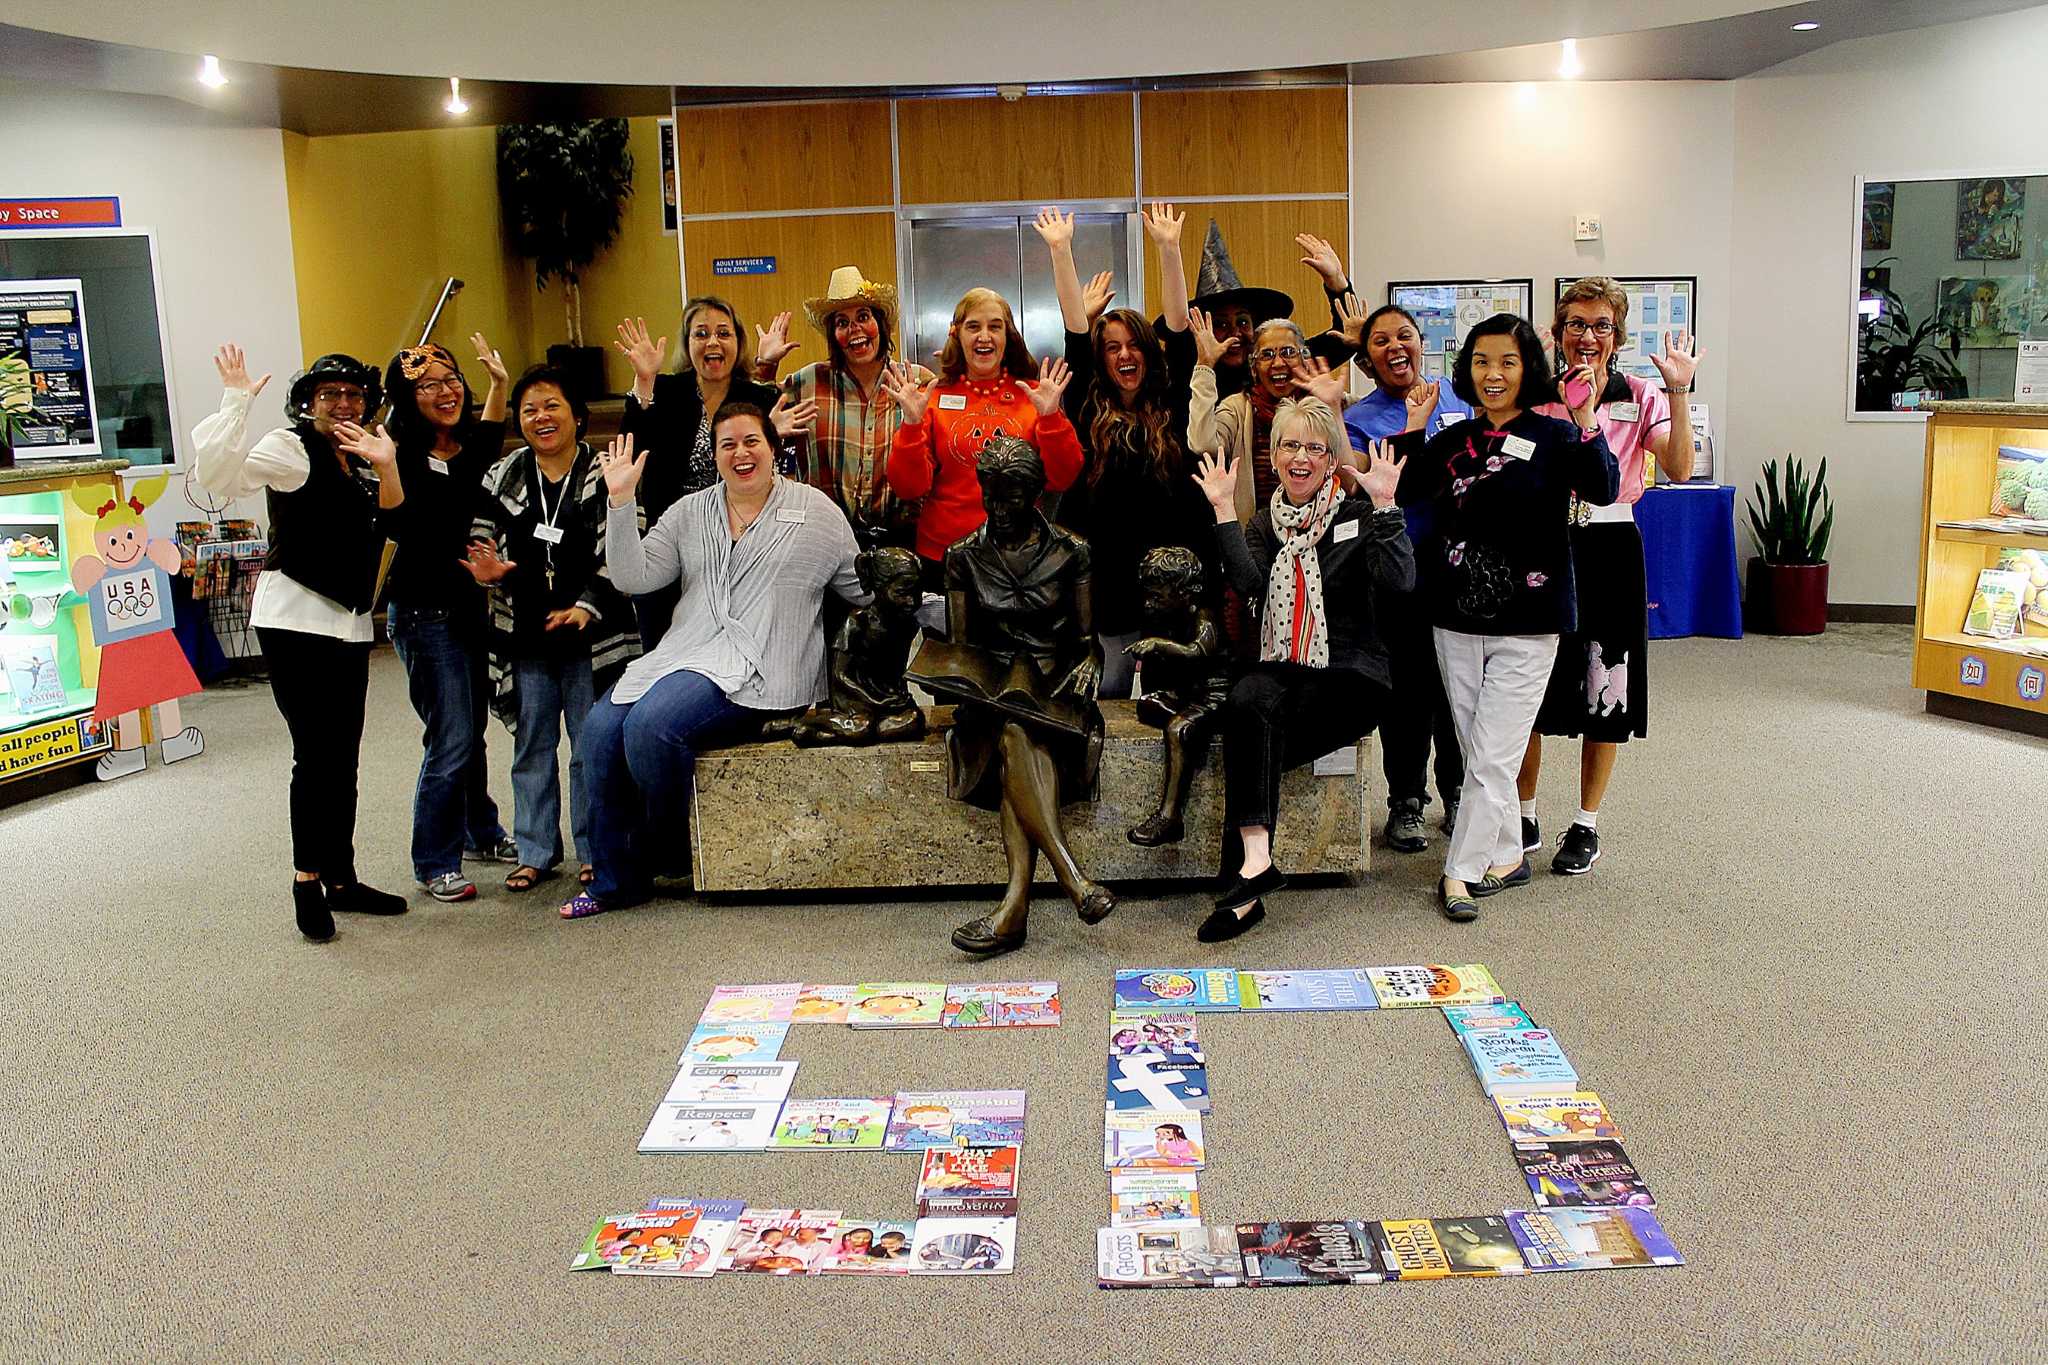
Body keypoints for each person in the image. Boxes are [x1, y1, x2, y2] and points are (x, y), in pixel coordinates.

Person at [559, 406, 866, 920]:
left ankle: (668, 848)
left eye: (752, 442)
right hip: (689, 652)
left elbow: (861, 588)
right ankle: (618, 882)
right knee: (599, 729)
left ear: (773, 448)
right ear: (716, 454)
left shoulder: (816, 512)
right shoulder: (689, 511)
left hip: (769, 664)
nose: (741, 454)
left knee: (651, 728)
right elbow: (634, 577)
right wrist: (620, 501)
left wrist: (932, 607)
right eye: (728, 445)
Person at [1391, 314, 1619, 922]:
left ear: (1528, 371)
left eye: (1508, 362)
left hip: (1531, 617)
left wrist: (1587, 415)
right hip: (1453, 615)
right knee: (1475, 746)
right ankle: (1510, 854)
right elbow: (1411, 492)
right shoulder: (1451, 439)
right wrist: (1415, 429)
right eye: (1482, 362)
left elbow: (1603, 488)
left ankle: (1460, 872)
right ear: (1467, 369)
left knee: (1495, 751)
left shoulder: (1556, 437)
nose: (1493, 375)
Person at [191, 345, 408, 941]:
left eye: (353, 395)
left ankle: (342, 877)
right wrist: (236, 402)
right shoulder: (289, 448)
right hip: (294, 621)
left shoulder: (365, 457)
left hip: (349, 622)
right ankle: (306, 881)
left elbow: (394, 527)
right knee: (315, 756)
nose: (343, 404)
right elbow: (221, 477)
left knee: (343, 757)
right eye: (329, 395)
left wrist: (387, 467)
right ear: (308, 402)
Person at [1191, 397, 1411, 943]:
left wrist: (1386, 506)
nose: (1302, 457)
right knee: (1249, 710)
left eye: (1317, 448)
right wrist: (1222, 510)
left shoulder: (1358, 516)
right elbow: (1251, 585)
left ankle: (1243, 888)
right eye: (1291, 445)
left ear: (1333, 460)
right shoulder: (1268, 522)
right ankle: (1253, 871)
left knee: (1250, 730)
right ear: (1275, 455)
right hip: (1289, 668)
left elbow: (1399, 582)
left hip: (1351, 676)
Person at [1518, 277, 1700, 875]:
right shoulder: (1536, 394)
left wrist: (1678, 391)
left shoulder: (1638, 394)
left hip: (1612, 545)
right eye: (1576, 323)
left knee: (1607, 676)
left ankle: (1586, 822)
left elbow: (1676, 467)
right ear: (1558, 331)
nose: (1587, 336)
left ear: (1617, 335)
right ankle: (1524, 812)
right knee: (1530, 681)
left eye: (1600, 325)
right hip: (1545, 544)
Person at [923, 435, 1111, 956]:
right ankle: (1072, 880)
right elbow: (962, 650)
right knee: (1011, 727)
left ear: (1035, 494)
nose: (1000, 509)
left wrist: (1092, 661)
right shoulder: (962, 556)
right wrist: (952, 681)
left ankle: (1015, 908)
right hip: (992, 692)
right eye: (991, 495)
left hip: (1055, 686)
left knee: (1020, 733)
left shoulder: (1073, 552)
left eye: (1012, 497)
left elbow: (1084, 640)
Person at [460, 366, 642, 894]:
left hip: (593, 635)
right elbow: (480, 537)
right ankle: (535, 850)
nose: (541, 418)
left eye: (552, 406)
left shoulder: (606, 470)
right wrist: (486, 569)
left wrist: (588, 604)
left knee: (591, 748)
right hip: (526, 633)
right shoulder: (503, 475)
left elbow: (628, 546)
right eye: (530, 410)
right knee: (532, 747)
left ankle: (593, 850)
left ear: (578, 416)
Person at [1035, 203, 1215, 698]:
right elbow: (1076, 328)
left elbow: (1178, 329)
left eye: (1133, 344)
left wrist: (1169, 249)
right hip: (1109, 581)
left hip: (1169, 580)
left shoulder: (1172, 401)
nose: (1124, 355)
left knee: (1170, 700)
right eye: (1112, 347)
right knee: (1109, 695)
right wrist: (1060, 251)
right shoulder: (1086, 404)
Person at [379, 334, 517, 904]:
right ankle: (433, 859)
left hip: (469, 607)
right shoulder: (395, 452)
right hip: (420, 611)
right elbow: (393, 523)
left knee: (470, 731)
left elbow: (491, 428)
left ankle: (479, 832)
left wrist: (499, 383)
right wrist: (384, 465)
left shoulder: (469, 449)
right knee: (452, 734)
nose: (446, 391)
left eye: (451, 378)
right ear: (407, 397)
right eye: (429, 384)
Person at [1344, 304, 1475, 854]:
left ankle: (1459, 792)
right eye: (1380, 341)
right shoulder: (1359, 417)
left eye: (1405, 336)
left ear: (1423, 343)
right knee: (1406, 691)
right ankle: (1406, 800)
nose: (1395, 347)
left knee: (1458, 688)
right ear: (1367, 357)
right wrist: (1414, 431)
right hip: (1397, 570)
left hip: (1456, 567)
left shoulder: (1462, 401)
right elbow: (1375, 491)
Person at [614, 298, 813, 646]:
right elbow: (630, 450)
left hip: (736, 547)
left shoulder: (758, 399)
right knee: (664, 649)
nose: (712, 342)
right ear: (687, 344)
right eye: (700, 334)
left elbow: (772, 471)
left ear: (737, 342)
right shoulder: (665, 390)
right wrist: (643, 383)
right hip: (672, 539)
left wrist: (771, 434)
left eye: (723, 333)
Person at [881, 288, 1080, 589]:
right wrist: (910, 424)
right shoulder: (932, 398)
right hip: (945, 557)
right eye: (973, 326)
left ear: (1008, 337)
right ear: (957, 335)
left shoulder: (1035, 395)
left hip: (1021, 559)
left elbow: (1062, 478)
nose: (984, 336)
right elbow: (909, 488)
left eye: (994, 326)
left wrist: (1051, 417)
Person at [766, 265, 934, 543]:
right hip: (823, 538)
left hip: (903, 542)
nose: (854, 329)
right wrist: (765, 366)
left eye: (863, 317)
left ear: (881, 325)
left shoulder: (916, 381)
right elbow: (748, 422)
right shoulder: (807, 383)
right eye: (842, 323)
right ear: (833, 335)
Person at [1186, 222, 1367, 402]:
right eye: (1221, 324)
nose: (1235, 333)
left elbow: (1344, 337)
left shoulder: (1281, 361)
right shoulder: (1188, 373)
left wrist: (1336, 282)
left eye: (1242, 322)